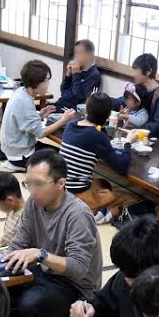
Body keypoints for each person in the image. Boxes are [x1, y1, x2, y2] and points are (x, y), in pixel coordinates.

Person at [1, 149, 103, 317]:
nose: (32, 191)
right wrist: (4, 264)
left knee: (29, 303)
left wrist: (40, 255)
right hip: (46, 273)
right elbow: (20, 241)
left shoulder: (78, 214)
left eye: (38, 184)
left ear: (60, 184)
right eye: (28, 183)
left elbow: (79, 268)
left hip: (76, 287)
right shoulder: (33, 203)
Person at [59, 91, 136, 224]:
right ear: (107, 116)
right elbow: (121, 167)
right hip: (77, 196)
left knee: (104, 184)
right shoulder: (97, 136)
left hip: (60, 191)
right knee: (132, 198)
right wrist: (128, 142)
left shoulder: (71, 125)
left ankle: (100, 208)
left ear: (87, 109)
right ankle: (106, 213)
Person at [0, 60, 73, 171]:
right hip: (21, 155)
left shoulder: (21, 91)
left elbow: (23, 121)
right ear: (36, 82)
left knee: (59, 152)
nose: (48, 83)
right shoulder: (24, 101)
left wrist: (40, 115)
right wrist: (63, 120)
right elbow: (40, 133)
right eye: (47, 80)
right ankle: (22, 165)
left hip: (14, 149)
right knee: (62, 159)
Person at [116, 54, 159, 132]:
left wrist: (135, 129)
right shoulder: (139, 87)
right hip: (133, 133)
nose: (133, 74)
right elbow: (122, 101)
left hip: (151, 139)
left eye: (136, 70)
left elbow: (157, 125)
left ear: (149, 71)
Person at [55, 39, 101, 111]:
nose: (75, 57)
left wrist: (76, 74)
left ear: (89, 55)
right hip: (61, 104)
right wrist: (68, 75)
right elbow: (63, 91)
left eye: (78, 53)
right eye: (75, 53)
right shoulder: (76, 68)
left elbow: (79, 97)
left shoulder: (94, 75)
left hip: (71, 110)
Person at [0, 171, 25, 249]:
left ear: (10, 201)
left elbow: (18, 247)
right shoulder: (12, 209)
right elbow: (6, 238)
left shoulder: (24, 218)